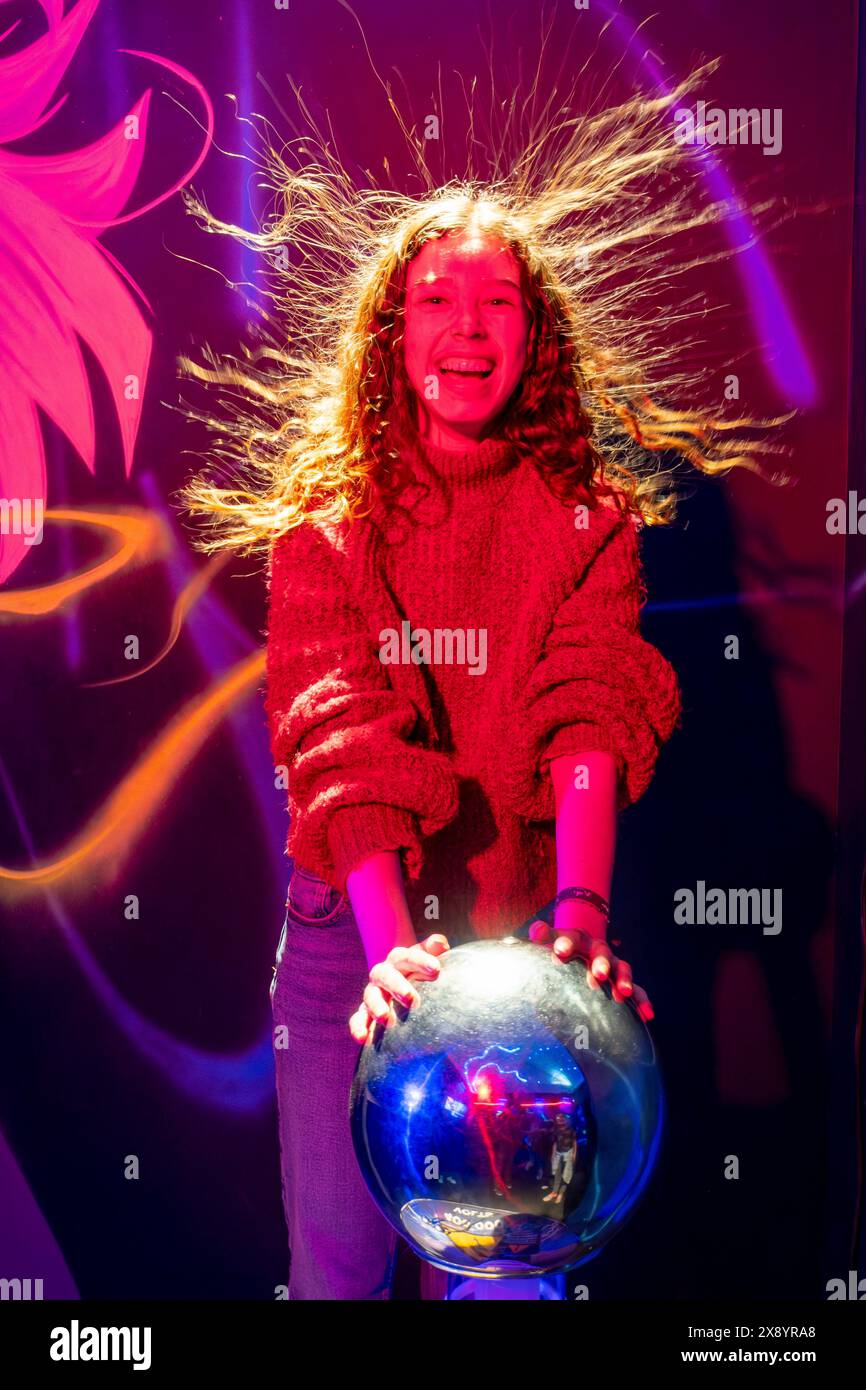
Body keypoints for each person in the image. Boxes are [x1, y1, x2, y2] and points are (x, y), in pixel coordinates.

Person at [179, 68, 787, 1299]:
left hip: (521, 932)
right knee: (337, 1268)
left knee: (511, 1271)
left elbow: (590, 709)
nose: (467, 327)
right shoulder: (326, 526)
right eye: (435, 301)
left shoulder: (588, 517)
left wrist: (578, 918)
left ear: (534, 335)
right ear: (391, 339)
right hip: (354, 944)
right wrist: (395, 964)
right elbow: (342, 741)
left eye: (498, 301)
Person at [544, 1114, 579, 1205]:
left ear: (566, 1119)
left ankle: (561, 1193)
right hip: (558, 1154)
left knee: (566, 1175)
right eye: (558, 1118)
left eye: (561, 1118)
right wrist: (553, 1154)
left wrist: (574, 1154)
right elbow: (555, 1143)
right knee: (557, 1174)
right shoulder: (556, 1130)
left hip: (568, 1154)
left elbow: (574, 1142)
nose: (559, 1120)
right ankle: (554, 1192)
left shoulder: (571, 1130)